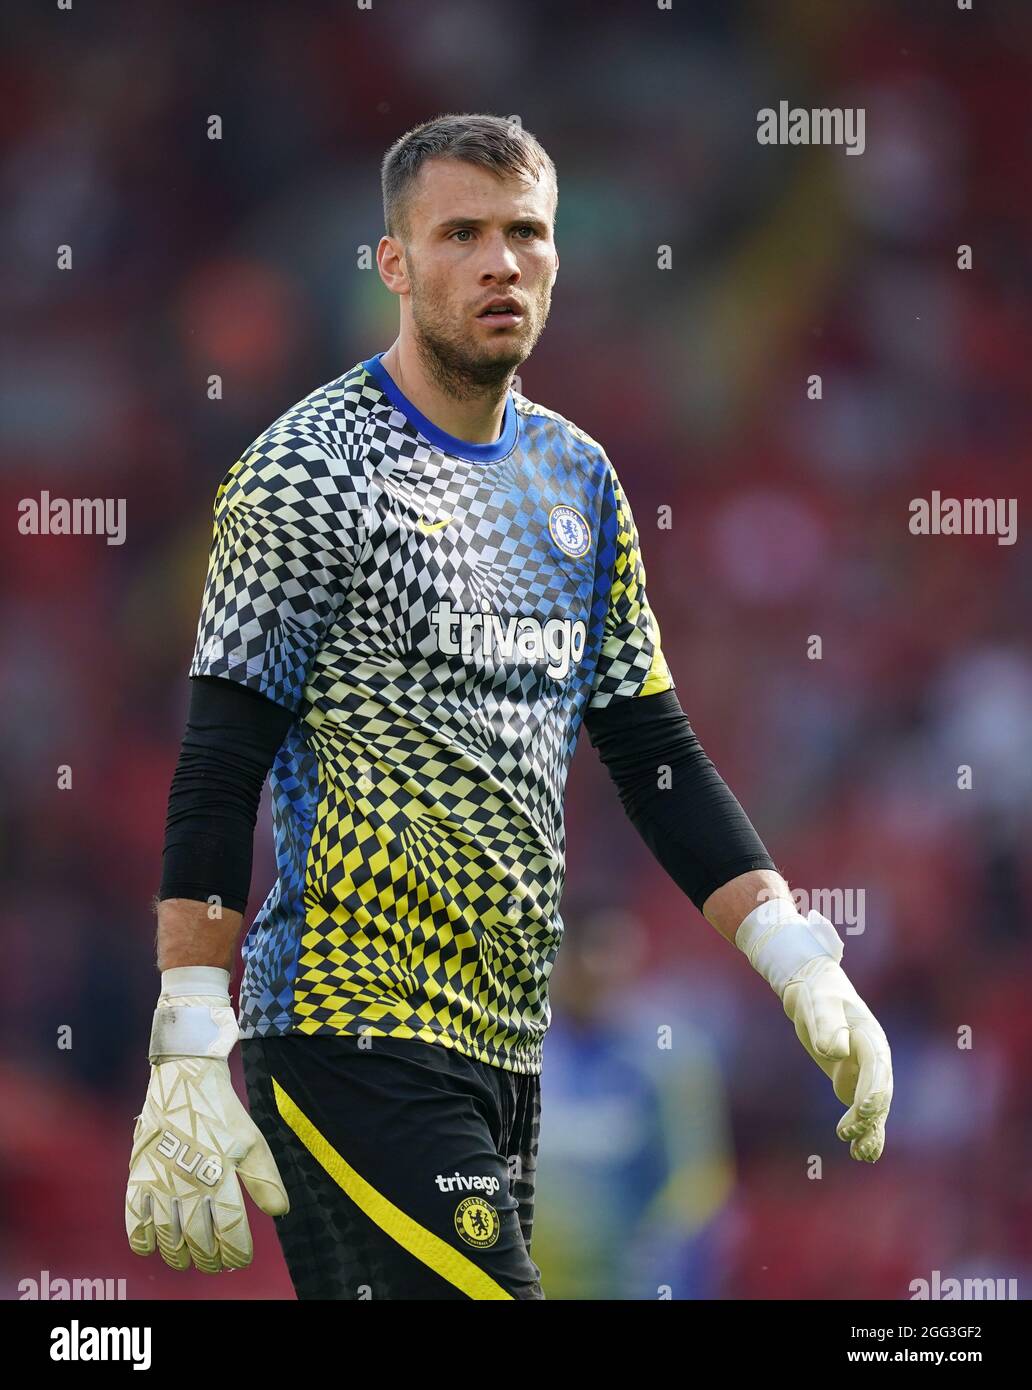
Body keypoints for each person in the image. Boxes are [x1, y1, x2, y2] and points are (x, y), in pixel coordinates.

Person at [125, 112, 892, 1300]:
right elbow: (223, 759)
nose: (501, 263)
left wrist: (798, 957)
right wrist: (186, 1031)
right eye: (461, 234)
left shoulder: (578, 479)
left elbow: (652, 750)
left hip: (503, 1047)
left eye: (526, 234)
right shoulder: (308, 472)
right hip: (351, 1027)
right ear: (393, 263)